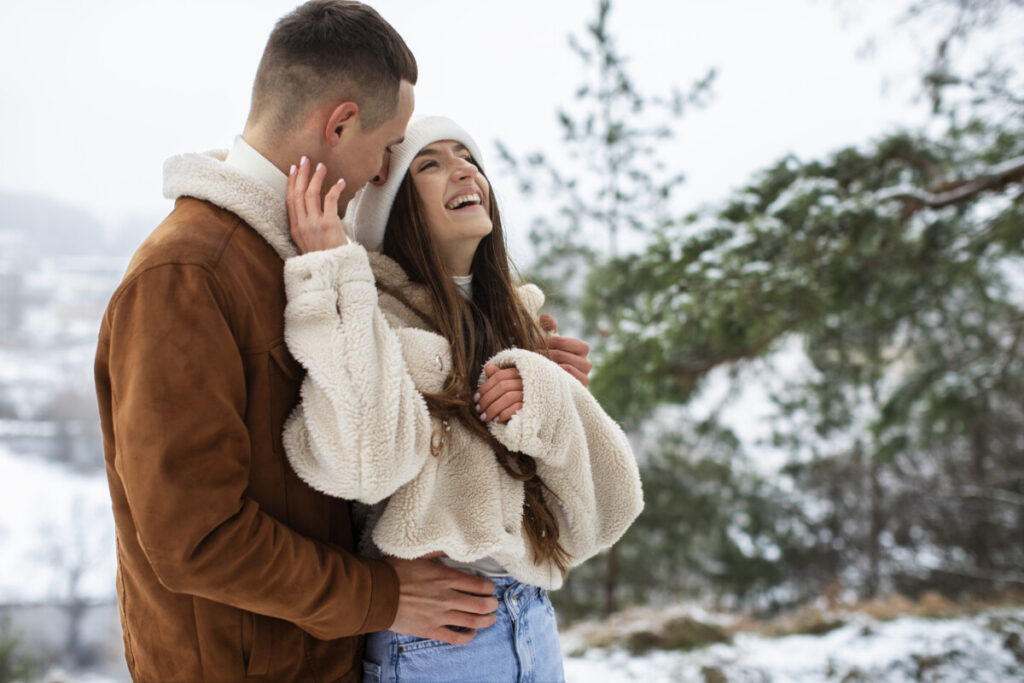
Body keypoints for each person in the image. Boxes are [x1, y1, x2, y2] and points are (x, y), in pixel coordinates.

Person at [94, 3, 580, 680]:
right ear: (340, 124)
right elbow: (193, 537)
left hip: (333, 661)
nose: (383, 171)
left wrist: (517, 374)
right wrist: (379, 596)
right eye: (389, 146)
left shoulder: (314, 254)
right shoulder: (188, 272)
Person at [282, 116, 645, 682]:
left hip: (532, 617)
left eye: (467, 157)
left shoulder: (518, 322)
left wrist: (553, 398)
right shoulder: (373, 316)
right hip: (438, 639)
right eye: (430, 164)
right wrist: (328, 269)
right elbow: (365, 464)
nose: (463, 170)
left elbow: (606, 510)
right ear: (395, 209)